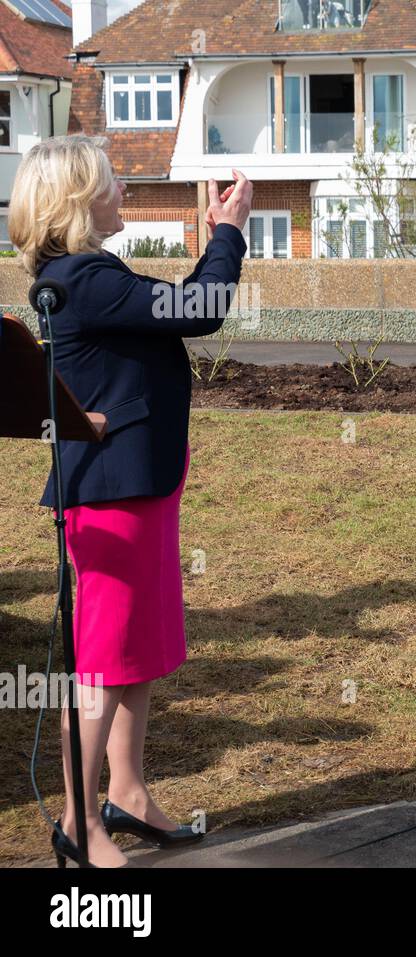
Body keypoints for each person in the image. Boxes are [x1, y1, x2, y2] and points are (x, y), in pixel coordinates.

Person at [9, 134, 253, 867]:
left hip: (138, 483)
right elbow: (199, 307)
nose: (124, 192)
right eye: (114, 183)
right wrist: (229, 233)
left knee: (136, 649)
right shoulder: (84, 277)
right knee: (104, 662)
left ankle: (129, 793)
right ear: (80, 199)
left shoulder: (90, 274)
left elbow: (163, 313)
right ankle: (82, 826)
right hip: (111, 491)